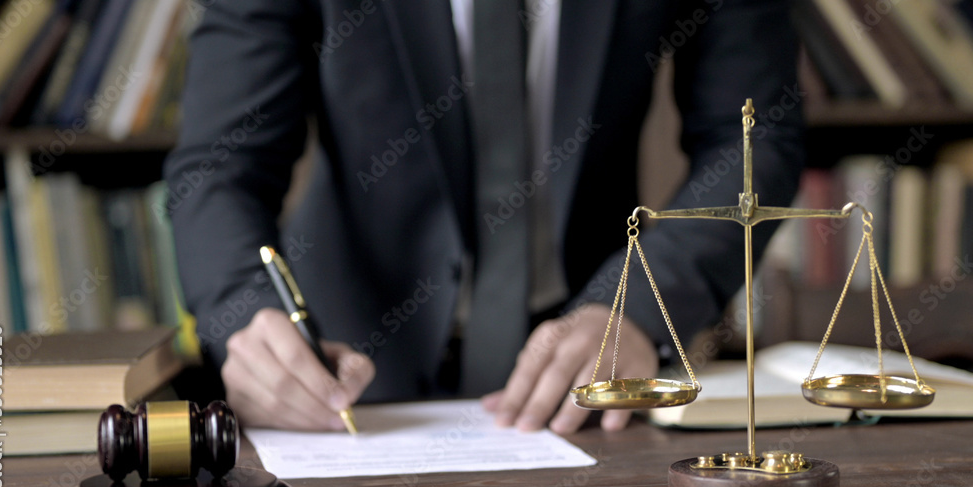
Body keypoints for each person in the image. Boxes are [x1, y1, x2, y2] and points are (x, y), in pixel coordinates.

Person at [165, 0, 804, 434]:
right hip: (345, 379)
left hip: (594, 370)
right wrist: (246, 318)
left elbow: (751, 140)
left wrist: (643, 304)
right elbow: (219, 166)